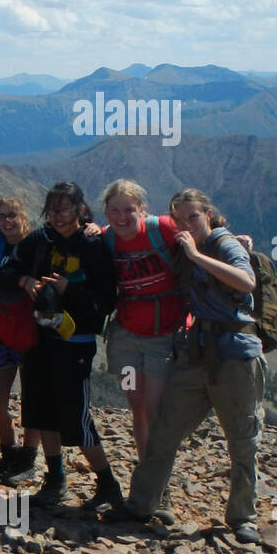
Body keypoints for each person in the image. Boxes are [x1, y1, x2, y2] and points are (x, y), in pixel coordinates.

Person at [108, 190, 267, 544]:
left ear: (208, 214)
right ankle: (141, 504)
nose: (186, 225)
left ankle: (244, 517)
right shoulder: (182, 246)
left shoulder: (223, 244)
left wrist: (196, 254)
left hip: (236, 353)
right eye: (178, 220)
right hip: (196, 352)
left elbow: (246, 282)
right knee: (164, 430)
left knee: (242, 438)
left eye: (192, 218)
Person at [0, 181, 120, 509]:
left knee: (75, 413)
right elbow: (6, 270)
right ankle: (55, 480)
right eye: (52, 210)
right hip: (39, 339)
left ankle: (107, 483)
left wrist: (69, 290)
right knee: (40, 410)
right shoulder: (40, 239)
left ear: (80, 210)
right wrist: (24, 280)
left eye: (64, 209)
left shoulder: (92, 245)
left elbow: (106, 302)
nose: (58, 216)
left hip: (75, 342)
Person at [99, 180, 187, 459]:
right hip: (126, 337)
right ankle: (146, 468)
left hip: (163, 335)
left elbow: (202, 241)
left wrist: (234, 241)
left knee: (154, 409)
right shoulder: (105, 237)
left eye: (129, 210)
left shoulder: (163, 229)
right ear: (106, 212)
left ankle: (158, 483)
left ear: (142, 209)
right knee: (136, 407)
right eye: (114, 210)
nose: (122, 217)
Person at [0, 196, 42, 485]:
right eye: (2, 216)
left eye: (13, 215)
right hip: (1, 334)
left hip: (32, 335)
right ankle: (10, 451)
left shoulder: (38, 245)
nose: (7, 221)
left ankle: (29, 456)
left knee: (32, 401)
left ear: (23, 217)